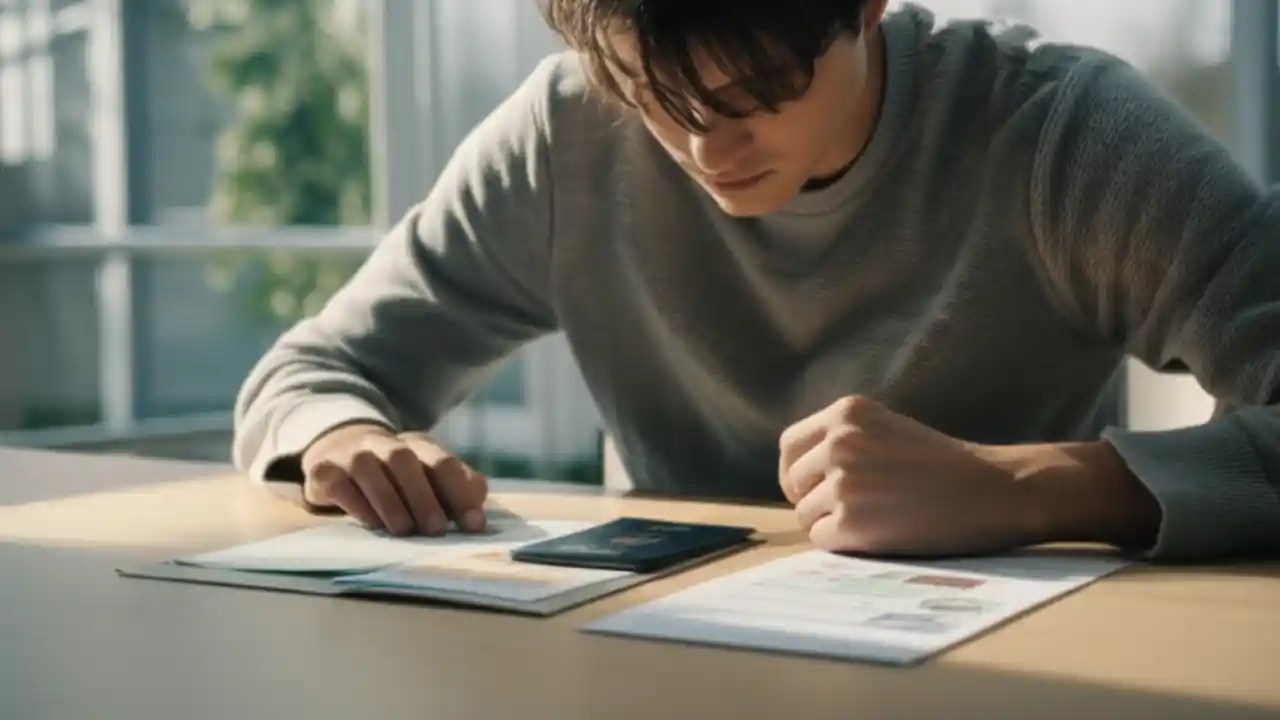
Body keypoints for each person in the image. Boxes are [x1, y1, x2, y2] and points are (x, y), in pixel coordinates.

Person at [233, 0, 1280, 561]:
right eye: (655, 95)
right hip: (655, 664)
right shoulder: (566, 136)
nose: (703, 146)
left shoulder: (1062, 136)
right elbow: (312, 371)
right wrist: (341, 439)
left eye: (757, 92)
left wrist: (1019, 488)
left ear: (866, 7)